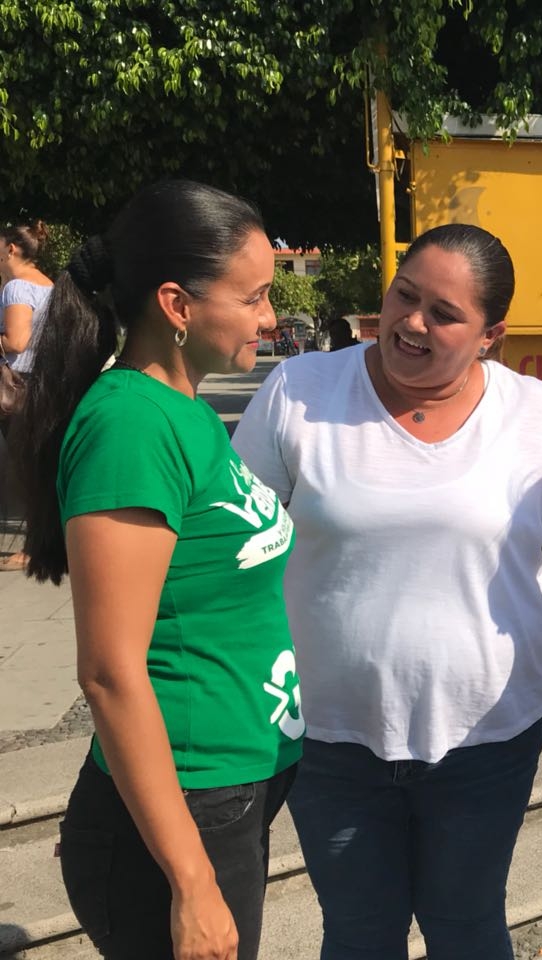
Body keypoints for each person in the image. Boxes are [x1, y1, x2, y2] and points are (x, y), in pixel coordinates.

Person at [232, 222, 542, 960]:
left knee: (467, 926)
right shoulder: (301, 392)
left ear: (490, 334)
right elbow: (232, 540)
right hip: (331, 735)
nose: (412, 321)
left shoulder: (531, 411)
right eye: (404, 295)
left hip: (485, 737)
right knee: (358, 932)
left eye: (443, 312)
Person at [9, 181, 301, 960]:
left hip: (229, 784)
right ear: (177, 305)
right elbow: (108, 671)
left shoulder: (186, 409)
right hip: (189, 802)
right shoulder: (130, 425)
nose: (271, 319)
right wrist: (193, 883)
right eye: (256, 298)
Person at [0, 220, 54, 571]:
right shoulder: (49, 284)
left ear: (11, 250)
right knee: (43, 464)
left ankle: (35, 548)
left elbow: (16, 342)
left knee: (28, 468)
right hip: (47, 384)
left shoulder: (16, 287)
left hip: (18, 387)